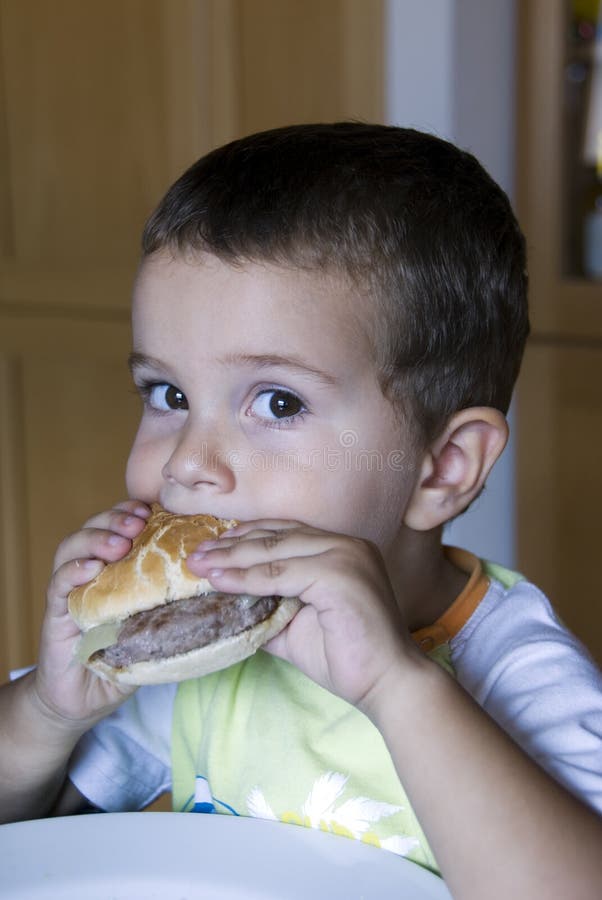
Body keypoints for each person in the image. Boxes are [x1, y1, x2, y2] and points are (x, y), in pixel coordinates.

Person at [1, 123, 601, 899]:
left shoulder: (522, 673)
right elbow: (28, 839)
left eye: (277, 402)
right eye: (169, 395)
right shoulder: (203, 649)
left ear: (442, 468)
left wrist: (397, 686)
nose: (185, 462)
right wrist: (51, 709)